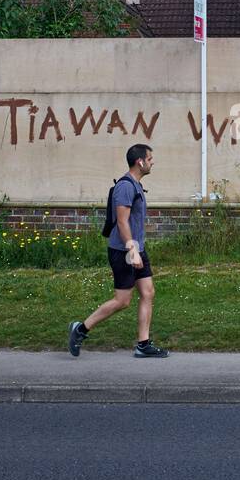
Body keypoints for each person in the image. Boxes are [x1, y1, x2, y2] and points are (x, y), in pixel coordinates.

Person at [69, 144, 168, 358]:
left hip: (136, 248)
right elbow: (122, 222)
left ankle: (143, 345)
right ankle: (80, 329)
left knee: (148, 292)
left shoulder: (136, 185)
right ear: (140, 162)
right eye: (150, 159)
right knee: (122, 300)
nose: (153, 162)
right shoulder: (126, 186)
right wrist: (132, 251)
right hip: (124, 250)